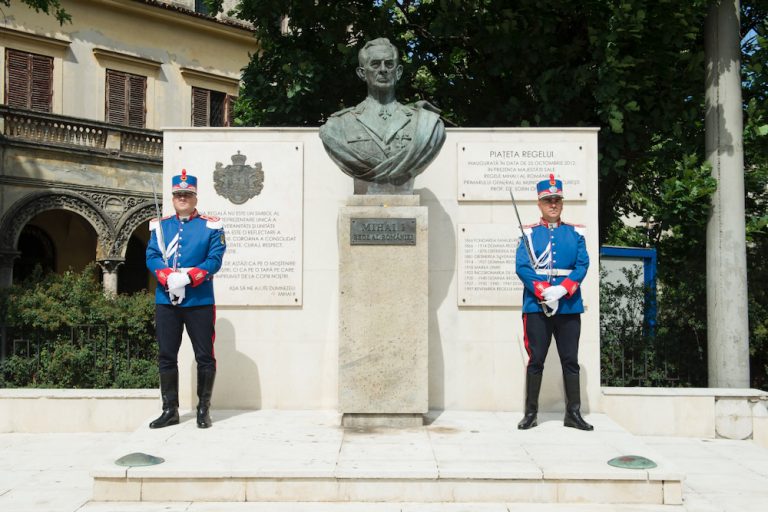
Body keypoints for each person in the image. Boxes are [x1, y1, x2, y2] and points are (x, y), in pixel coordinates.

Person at [145, 169, 226, 429]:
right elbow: (152, 256)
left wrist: (189, 278)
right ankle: (170, 410)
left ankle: (203, 409)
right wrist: (167, 276)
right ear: (172, 198)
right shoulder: (160, 226)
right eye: (179, 194)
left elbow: (214, 260)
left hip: (199, 300)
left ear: (195, 198)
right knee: (166, 355)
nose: (183, 198)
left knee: (204, 356)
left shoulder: (211, 226)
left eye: (187, 194)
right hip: (166, 300)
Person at [515, 174, 593, 431]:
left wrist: (562, 289)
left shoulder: (575, 233)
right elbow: (523, 267)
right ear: (539, 204)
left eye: (557, 200)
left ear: (562, 203)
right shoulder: (528, 233)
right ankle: (530, 414)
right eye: (548, 200)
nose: (553, 204)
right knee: (536, 359)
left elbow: (582, 265)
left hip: (568, 304)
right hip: (537, 306)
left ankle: (573, 413)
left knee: (570, 359)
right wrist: (544, 291)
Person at [319, 37, 445, 191]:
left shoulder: (426, 124)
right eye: (375, 64)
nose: (383, 69)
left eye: (389, 64)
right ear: (362, 73)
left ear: (398, 72)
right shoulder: (337, 126)